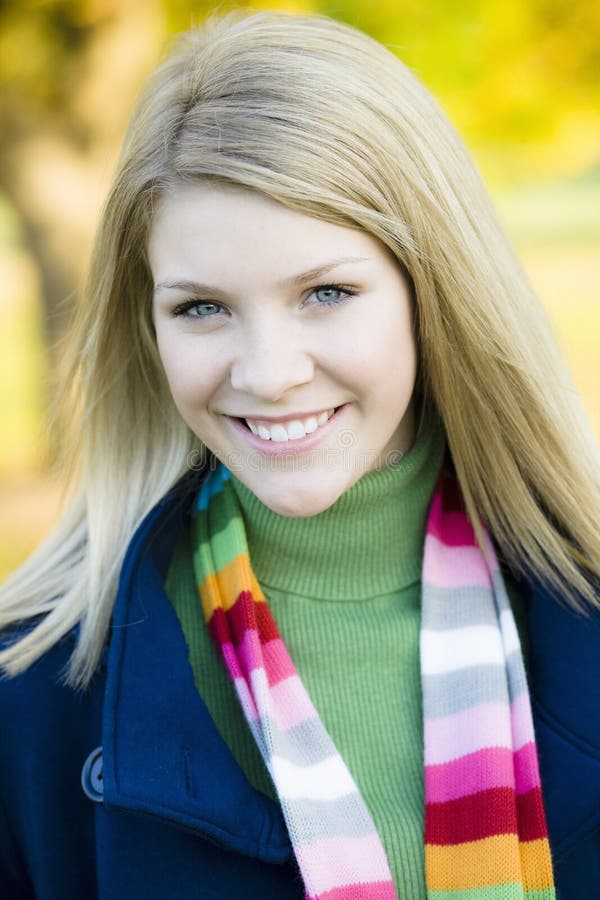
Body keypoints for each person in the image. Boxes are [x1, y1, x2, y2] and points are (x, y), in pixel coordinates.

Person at [0, 9, 598, 900]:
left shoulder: (577, 601)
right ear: (147, 324)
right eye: (201, 307)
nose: (270, 374)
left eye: (325, 291)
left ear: (432, 289)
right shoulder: (33, 694)